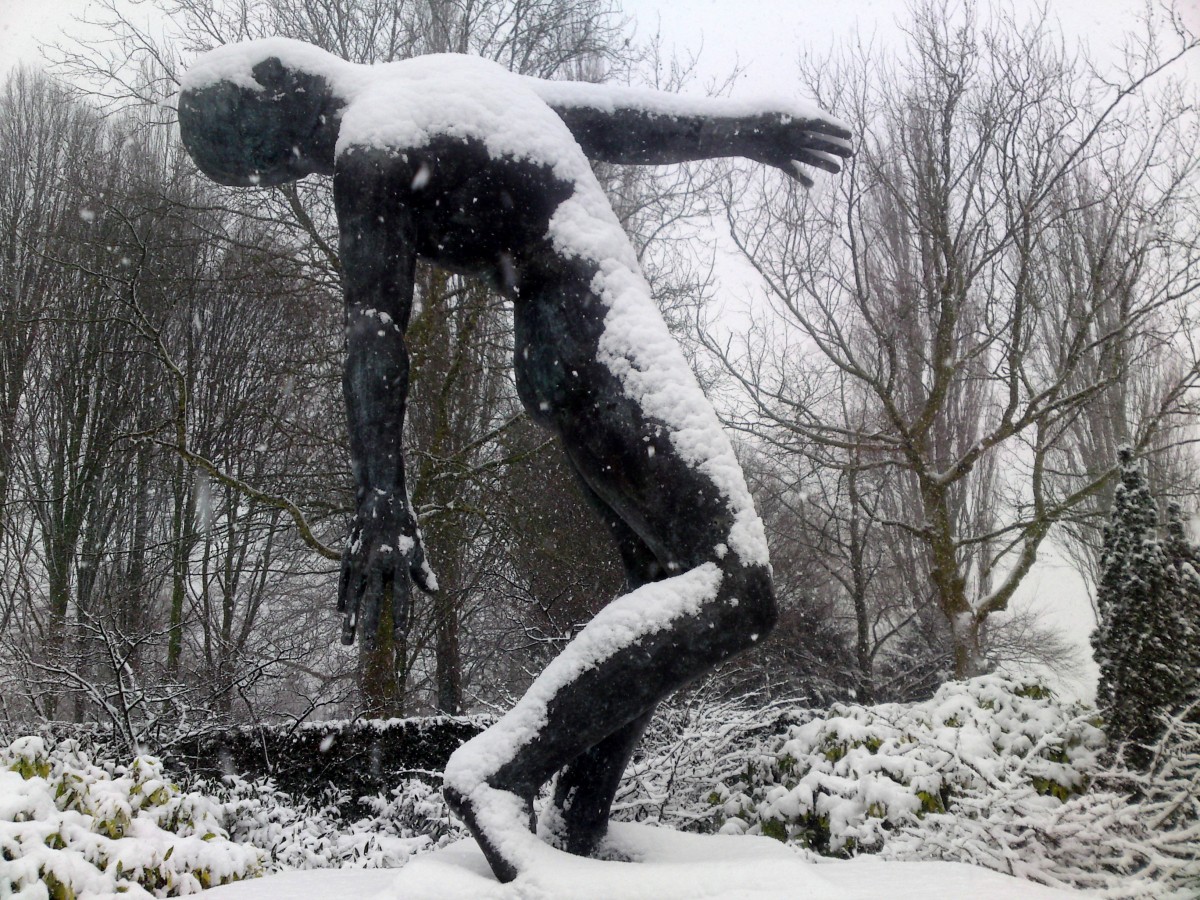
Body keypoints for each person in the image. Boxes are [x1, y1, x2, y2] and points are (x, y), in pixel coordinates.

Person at [178, 38, 851, 883]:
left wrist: (742, 130)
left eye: (274, 161)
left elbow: (380, 326)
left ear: (274, 95)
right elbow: (377, 329)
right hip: (591, 338)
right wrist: (380, 494)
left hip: (587, 340)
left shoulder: (380, 133)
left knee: (671, 584)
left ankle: (580, 815)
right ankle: (502, 771)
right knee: (736, 585)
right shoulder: (431, 93)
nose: (294, 172)